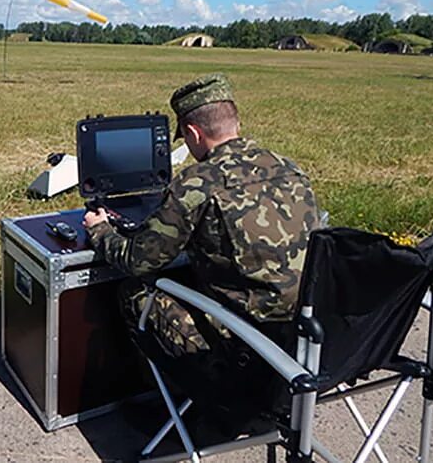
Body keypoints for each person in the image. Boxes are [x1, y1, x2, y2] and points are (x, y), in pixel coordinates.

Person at [82, 73, 319, 428]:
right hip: (304, 340)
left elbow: (138, 261)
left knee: (134, 293)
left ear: (193, 133)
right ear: (235, 121)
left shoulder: (197, 182)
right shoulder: (290, 168)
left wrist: (100, 231)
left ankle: (178, 408)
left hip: (244, 348)